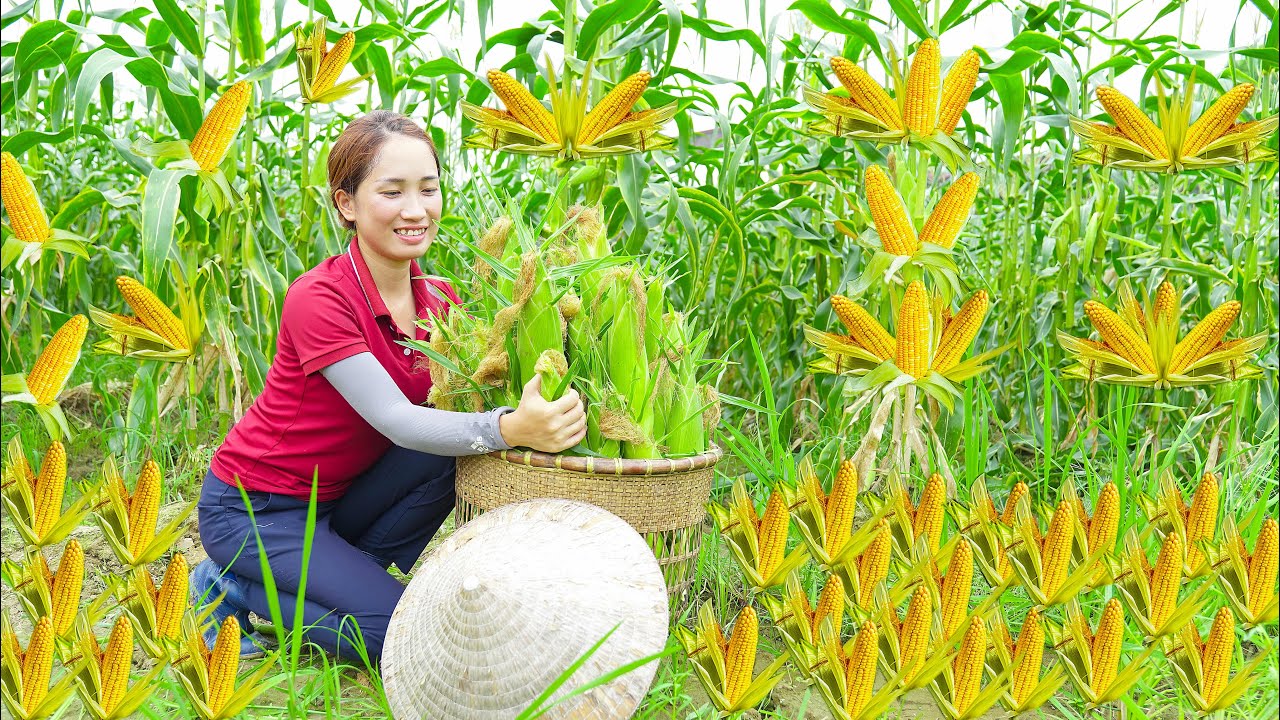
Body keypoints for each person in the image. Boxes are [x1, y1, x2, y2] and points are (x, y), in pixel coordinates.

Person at [190, 110, 586, 664]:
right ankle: (230, 582)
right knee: (401, 640)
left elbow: (453, 412)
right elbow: (395, 419)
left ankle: (333, 574)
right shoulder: (319, 298)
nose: (415, 210)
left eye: (428, 189)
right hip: (256, 508)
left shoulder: (440, 300)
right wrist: (509, 428)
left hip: (340, 498)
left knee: (452, 445)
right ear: (346, 203)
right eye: (392, 192)